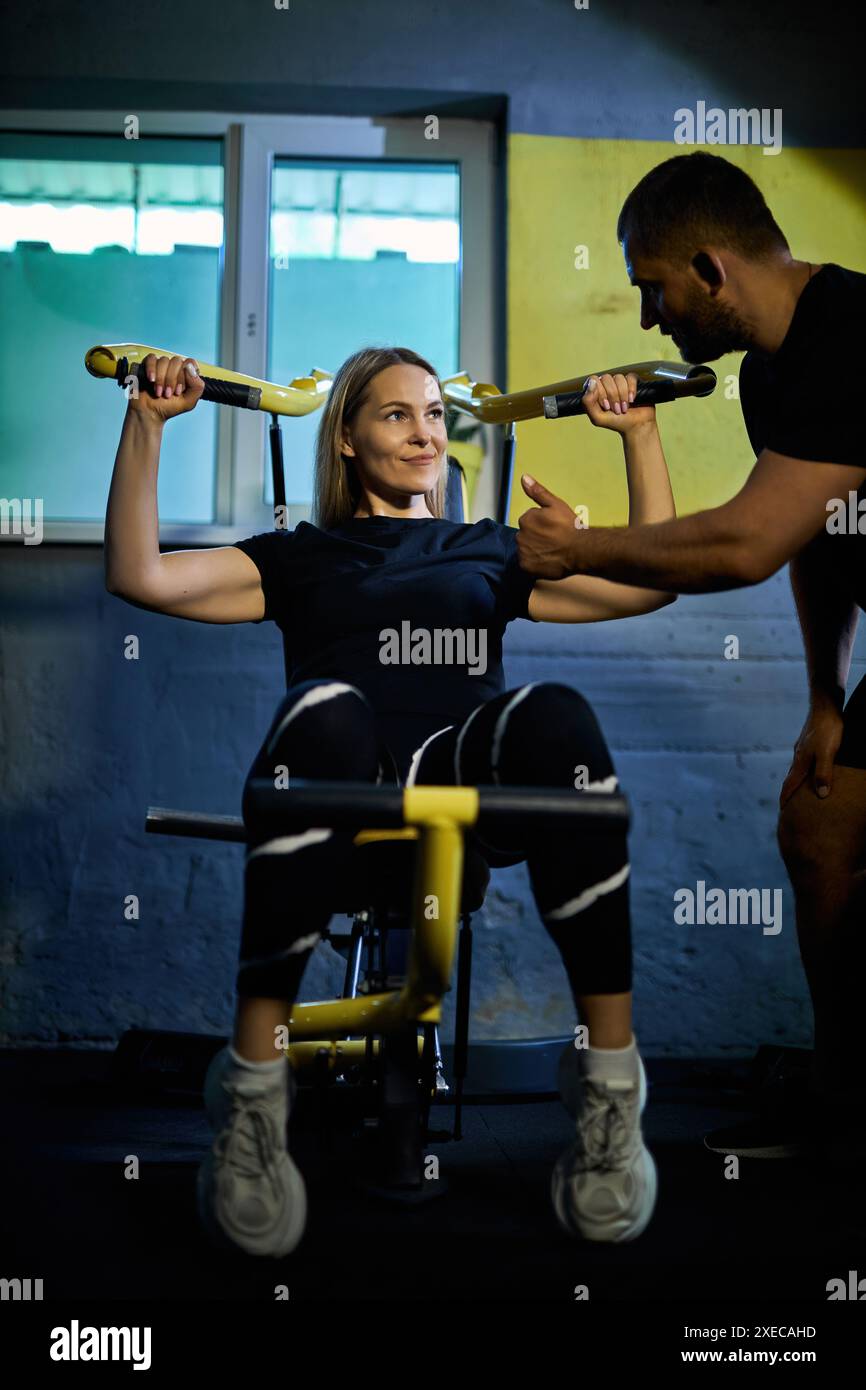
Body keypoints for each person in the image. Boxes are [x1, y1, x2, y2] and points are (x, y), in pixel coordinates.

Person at [105, 341, 677, 1257]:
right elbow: (141, 576)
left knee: (557, 715)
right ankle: (256, 1093)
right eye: (397, 414)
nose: (426, 432)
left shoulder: (492, 548)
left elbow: (655, 582)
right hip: (344, 787)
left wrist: (638, 434)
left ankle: (610, 1088)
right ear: (345, 439)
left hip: (461, 774)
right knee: (326, 710)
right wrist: (146, 424)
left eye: (434, 414)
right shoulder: (301, 556)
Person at [515, 151, 866, 1164]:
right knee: (818, 825)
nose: (646, 318)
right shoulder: (770, 374)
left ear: (709, 269)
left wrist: (577, 545)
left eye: (651, 288)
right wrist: (824, 695)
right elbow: (811, 539)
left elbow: (746, 542)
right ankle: (839, 1105)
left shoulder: (848, 334)